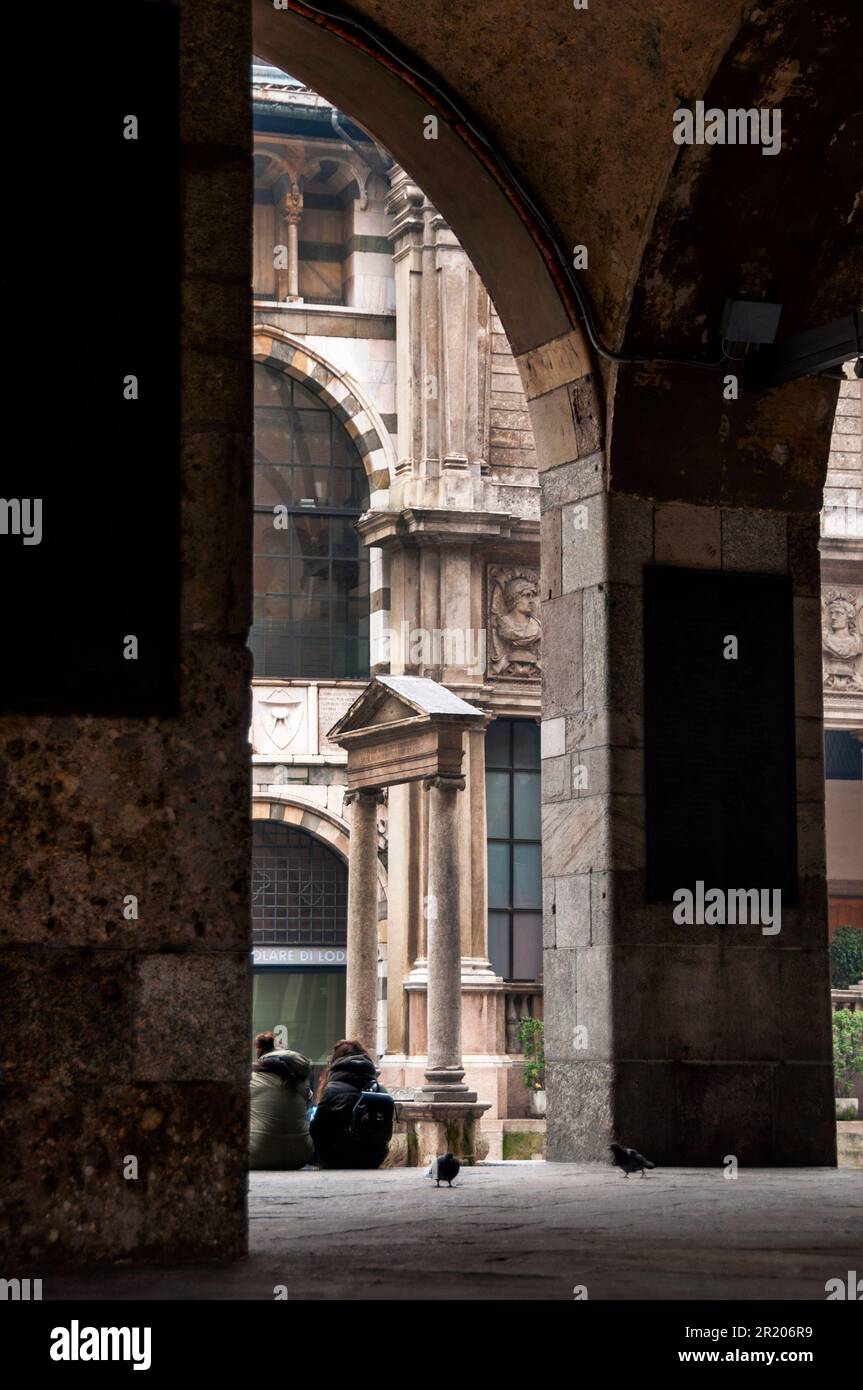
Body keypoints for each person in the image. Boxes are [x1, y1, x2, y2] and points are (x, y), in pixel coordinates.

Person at [309, 1039, 394, 1169]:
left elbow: (316, 1130)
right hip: (372, 1158)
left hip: (336, 1158)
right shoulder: (379, 1089)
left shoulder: (332, 1089)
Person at [248, 1031, 315, 1170]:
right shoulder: (302, 1082)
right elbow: (308, 1107)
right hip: (300, 1156)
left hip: (257, 1157)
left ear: (259, 1052)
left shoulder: (251, 1078)